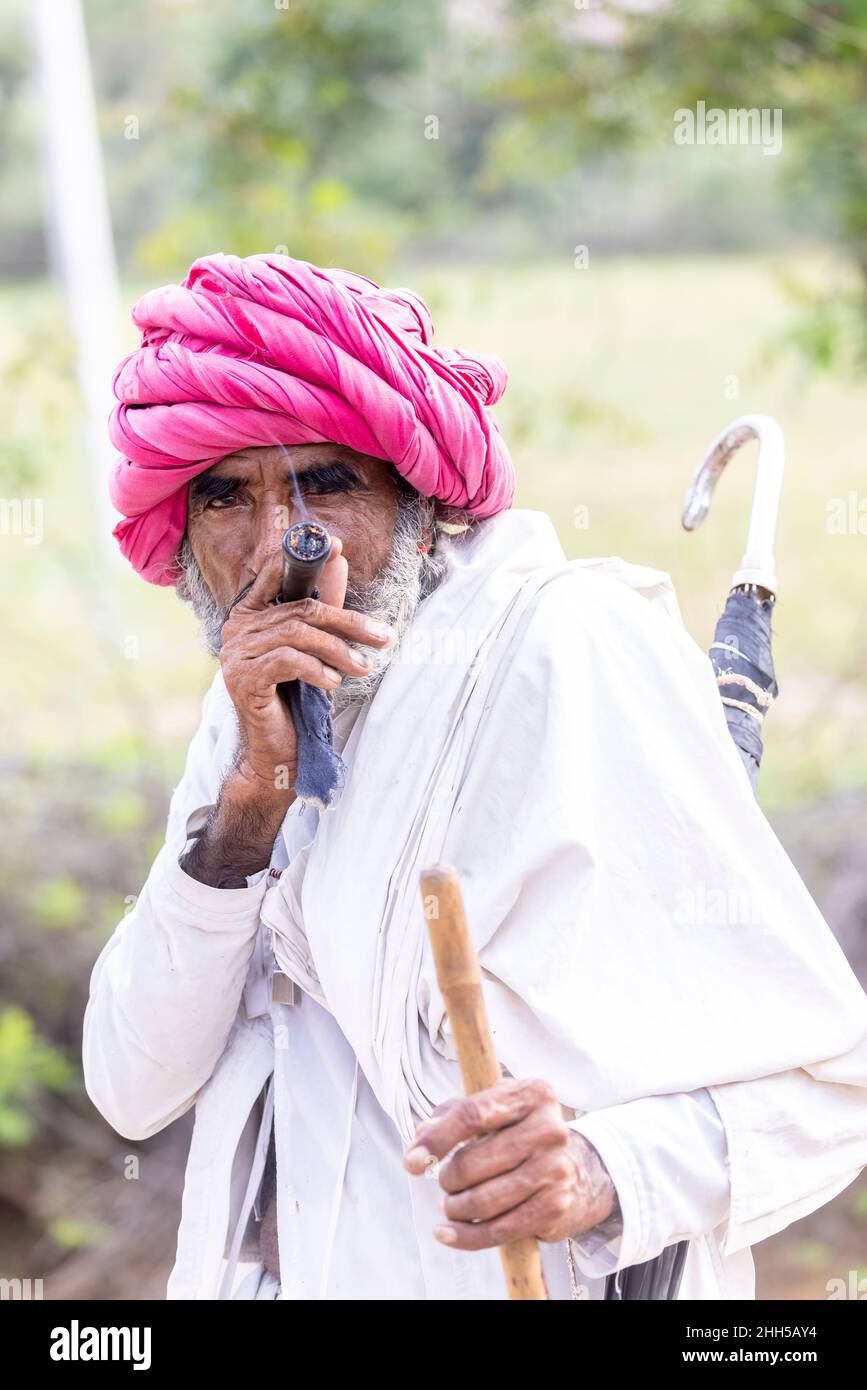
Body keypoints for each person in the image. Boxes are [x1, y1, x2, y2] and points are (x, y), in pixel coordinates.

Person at [83, 252, 867, 1300]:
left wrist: (602, 1170)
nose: (284, 542)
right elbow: (133, 1082)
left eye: (327, 483)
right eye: (226, 496)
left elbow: (827, 1088)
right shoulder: (246, 712)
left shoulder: (566, 650)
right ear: (183, 536)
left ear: (420, 505)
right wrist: (247, 813)